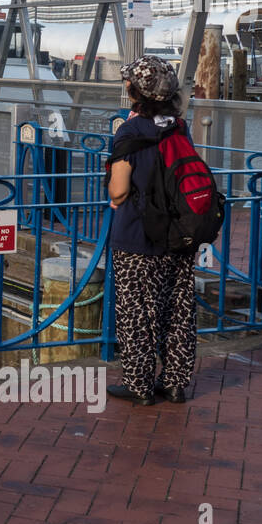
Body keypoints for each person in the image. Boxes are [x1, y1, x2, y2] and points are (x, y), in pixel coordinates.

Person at [104, 55, 198, 406]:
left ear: (134, 90)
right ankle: (174, 383)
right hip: (180, 233)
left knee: (136, 311)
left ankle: (139, 386)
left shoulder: (129, 130)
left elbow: (118, 190)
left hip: (137, 236)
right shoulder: (179, 126)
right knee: (177, 309)